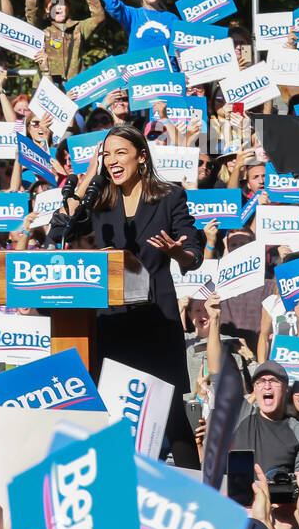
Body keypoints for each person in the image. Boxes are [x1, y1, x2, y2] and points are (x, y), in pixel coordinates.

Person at [51, 123, 204, 466]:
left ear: (142, 157)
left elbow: (192, 251)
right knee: (111, 413)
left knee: (173, 417)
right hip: (110, 324)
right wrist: (88, 179)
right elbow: (58, 232)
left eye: (120, 152)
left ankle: (192, 493)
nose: (112, 161)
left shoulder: (169, 196)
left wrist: (177, 253)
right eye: (106, 155)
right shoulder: (100, 202)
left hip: (156, 323)